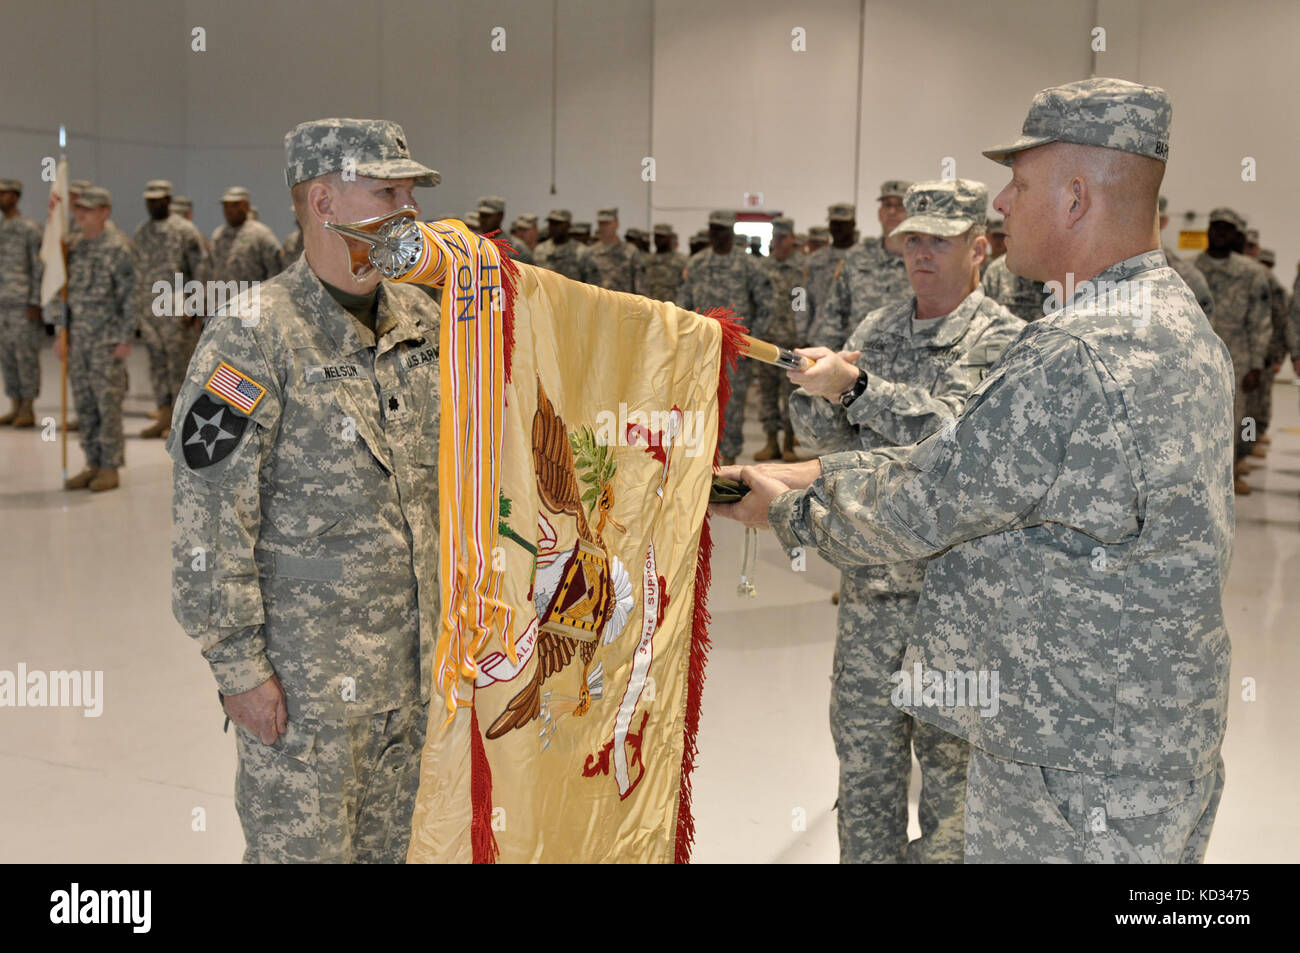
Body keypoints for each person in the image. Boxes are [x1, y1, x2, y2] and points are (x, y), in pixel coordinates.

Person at [714, 78, 1234, 864]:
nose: (1001, 200)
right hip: (1154, 742)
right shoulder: (1178, 322)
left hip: (1070, 764)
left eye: (1019, 184)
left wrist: (787, 509)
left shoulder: (1075, 350)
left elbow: (929, 498)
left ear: (1074, 197)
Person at [170, 118, 443, 863]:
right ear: (323, 201)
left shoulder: (427, 322)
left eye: (411, 188)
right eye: (387, 189)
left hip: (420, 677)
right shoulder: (252, 337)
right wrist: (238, 668)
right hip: (309, 691)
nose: (410, 206)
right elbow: (208, 520)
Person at [788, 179, 1022, 863]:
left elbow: (953, 438)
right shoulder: (879, 328)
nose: (920, 252)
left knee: (953, 782)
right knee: (864, 766)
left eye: (939, 240)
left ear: (979, 247)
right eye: (911, 239)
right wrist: (813, 390)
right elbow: (832, 446)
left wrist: (856, 388)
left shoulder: (1005, 338)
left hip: (958, 601)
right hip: (872, 594)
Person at [57, 187, 136, 492]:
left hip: (106, 341)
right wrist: (61, 332)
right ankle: (92, 462)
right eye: (78, 209)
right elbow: (64, 294)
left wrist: (126, 337)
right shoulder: (75, 248)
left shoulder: (118, 248)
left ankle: (109, 467)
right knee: (85, 404)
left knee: (108, 405)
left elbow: (131, 296)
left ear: (105, 212)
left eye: (88, 210)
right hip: (79, 340)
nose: (80, 215)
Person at [679, 209, 772, 465]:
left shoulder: (749, 265)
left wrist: (752, 343)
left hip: (734, 351)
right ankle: (701, 461)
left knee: (731, 406)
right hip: (700, 347)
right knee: (697, 402)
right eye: (713, 229)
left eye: (721, 229)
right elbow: (684, 304)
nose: (716, 234)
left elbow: (766, 304)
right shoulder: (697, 263)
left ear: (731, 232)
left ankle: (728, 460)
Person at [1194, 208, 1271, 494]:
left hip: (1237, 359)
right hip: (1197, 359)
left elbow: (1261, 321)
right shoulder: (1191, 270)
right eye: (1215, 228)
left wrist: (1256, 364)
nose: (1219, 234)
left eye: (1226, 229)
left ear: (1235, 235)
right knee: (1197, 419)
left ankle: (1227, 476)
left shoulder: (1251, 273)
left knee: (1233, 420)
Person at [134, 179, 209, 439]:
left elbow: (200, 271)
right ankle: (164, 415)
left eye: (158, 200)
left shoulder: (185, 230)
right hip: (150, 313)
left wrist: (194, 307)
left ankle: (181, 422)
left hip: (178, 314)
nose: (153, 204)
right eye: (149, 200)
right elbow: (136, 272)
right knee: (157, 368)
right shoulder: (142, 232)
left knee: (180, 369)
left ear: (168, 200)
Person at [810, 183, 914, 350]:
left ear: (912, 212)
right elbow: (834, 312)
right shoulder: (857, 257)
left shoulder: (924, 258)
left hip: (909, 366)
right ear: (880, 213)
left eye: (900, 205)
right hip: (858, 364)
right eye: (887, 205)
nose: (892, 211)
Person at [754, 216, 804, 462]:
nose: (778, 242)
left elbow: (805, 305)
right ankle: (771, 442)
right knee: (768, 394)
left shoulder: (802, 268)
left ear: (792, 239)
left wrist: (805, 337)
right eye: (775, 238)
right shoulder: (762, 267)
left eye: (783, 238)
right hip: (765, 341)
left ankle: (789, 445)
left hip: (792, 343)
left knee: (791, 395)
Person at [0, 178, 44, 427]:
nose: (0, 198)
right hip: (3, 305)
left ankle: (28, 407)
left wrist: (36, 301)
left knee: (25, 355)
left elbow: (38, 267)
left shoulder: (29, 228)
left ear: (16, 196)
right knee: (7, 357)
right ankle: (14, 404)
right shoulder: (1, 228)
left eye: (4, 194)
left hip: (23, 304)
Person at [210, 186, 284, 284]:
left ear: (246, 206)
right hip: (223, 297)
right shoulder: (218, 235)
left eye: (235, 205)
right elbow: (211, 270)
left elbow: (275, 271)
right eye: (226, 206)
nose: (229, 210)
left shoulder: (261, 234)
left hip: (253, 297)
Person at [588, 206, 643, 293]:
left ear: (616, 224)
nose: (604, 227)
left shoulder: (630, 252)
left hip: (623, 304)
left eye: (608, 223)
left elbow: (640, 287)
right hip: (597, 304)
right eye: (601, 224)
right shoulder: (590, 253)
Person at [534, 209, 597, 283]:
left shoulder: (581, 252)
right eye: (551, 223)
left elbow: (593, 285)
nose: (553, 227)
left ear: (568, 226)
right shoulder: (540, 250)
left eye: (558, 224)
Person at [642, 222, 687, 302]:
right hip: (650, 305)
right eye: (656, 236)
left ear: (670, 238)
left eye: (662, 237)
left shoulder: (681, 260)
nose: (658, 240)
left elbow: (686, 287)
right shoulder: (647, 260)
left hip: (672, 306)